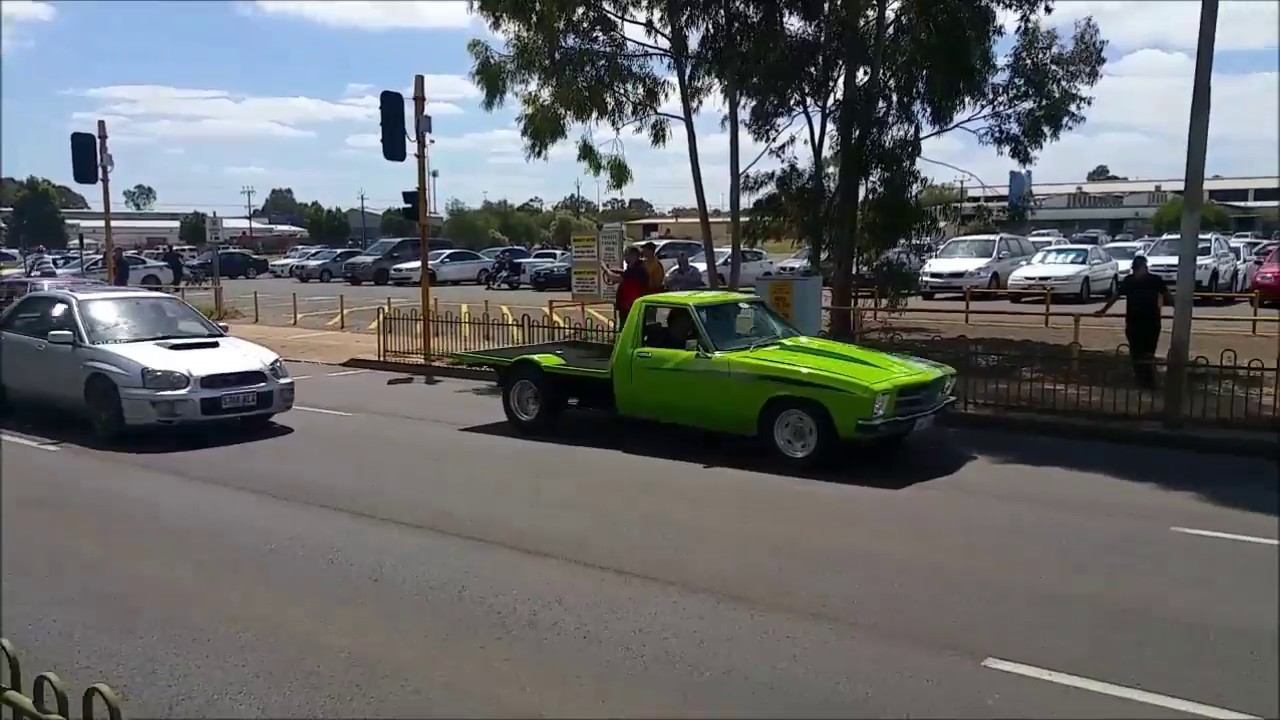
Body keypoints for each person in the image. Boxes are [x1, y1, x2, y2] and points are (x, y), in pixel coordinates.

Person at [1095, 255, 1170, 388]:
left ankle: (1148, 381)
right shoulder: (1130, 281)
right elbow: (1116, 296)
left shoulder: (1154, 280)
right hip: (1135, 322)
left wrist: (1180, 310)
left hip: (1150, 322)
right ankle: (1142, 380)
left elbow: (1167, 295)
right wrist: (1103, 310)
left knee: (1147, 353)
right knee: (1137, 353)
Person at [602, 246, 649, 322]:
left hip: (631, 307)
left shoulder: (636, 270)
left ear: (634, 256)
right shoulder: (637, 268)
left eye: (627, 255)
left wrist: (605, 269)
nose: (625, 258)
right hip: (630, 306)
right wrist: (614, 270)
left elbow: (614, 278)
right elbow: (625, 273)